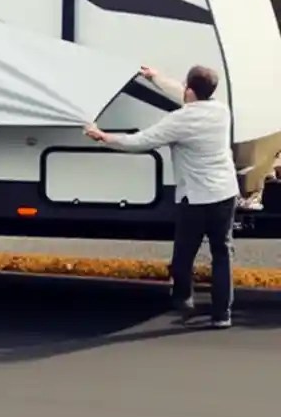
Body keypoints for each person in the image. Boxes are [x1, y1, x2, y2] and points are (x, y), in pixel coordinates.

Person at [84, 65, 238, 329]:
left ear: (190, 90)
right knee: (222, 253)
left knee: (184, 255)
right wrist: (154, 78)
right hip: (225, 193)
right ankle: (222, 315)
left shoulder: (180, 121)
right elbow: (184, 94)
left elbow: (142, 141)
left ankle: (183, 299)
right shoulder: (222, 111)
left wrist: (104, 137)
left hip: (196, 198)